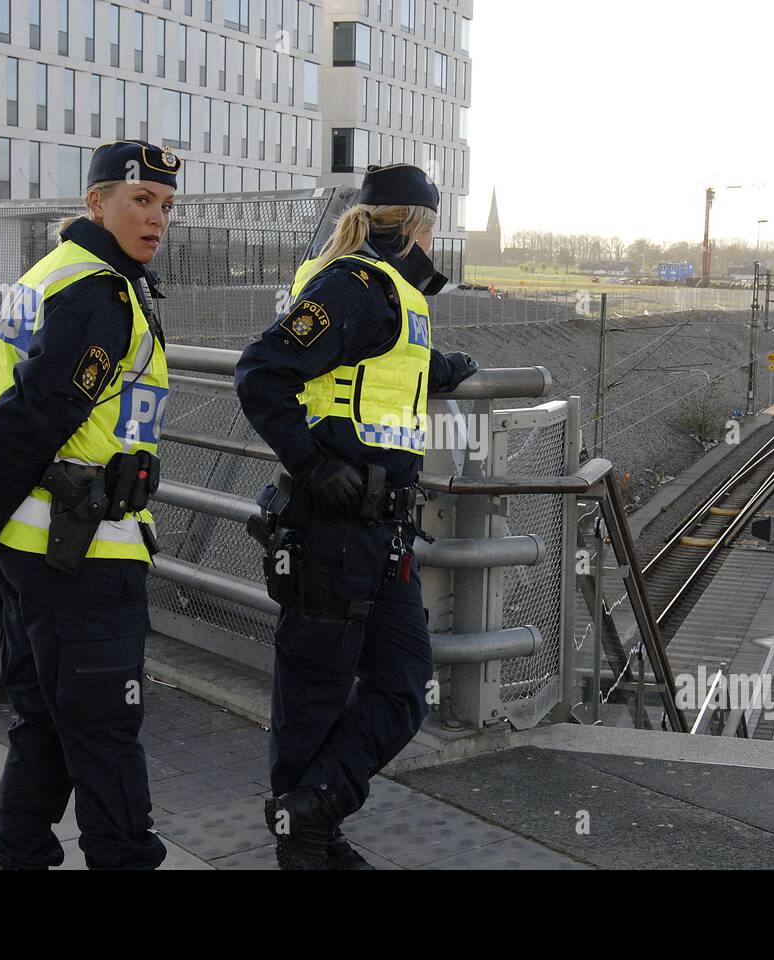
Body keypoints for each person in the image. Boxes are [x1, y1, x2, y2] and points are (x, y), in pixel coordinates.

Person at [0, 139, 179, 870]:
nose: (157, 218)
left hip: (33, 553)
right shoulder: (97, 294)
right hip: (84, 560)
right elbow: (29, 419)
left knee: (44, 726)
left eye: (166, 205)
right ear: (95, 202)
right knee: (105, 737)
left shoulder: (47, 278)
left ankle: (17, 857)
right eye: (140, 200)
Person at [235, 163, 479, 869]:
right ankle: (309, 838)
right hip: (333, 526)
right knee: (313, 695)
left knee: (403, 686)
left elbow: (370, 368)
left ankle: (309, 810)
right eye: (433, 230)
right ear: (416, 226)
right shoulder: (352, 285)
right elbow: (262, 372)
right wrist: (314, 465)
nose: (435, 246)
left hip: (383, 529)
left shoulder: (386, 293)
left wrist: (437, 366)